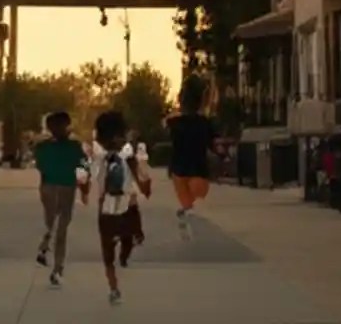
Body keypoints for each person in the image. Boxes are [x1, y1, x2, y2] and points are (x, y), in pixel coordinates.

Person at [84, 110, 151, 305]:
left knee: (116, 248)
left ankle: (117, 275)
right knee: (113, 249)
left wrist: (143, 186)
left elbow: (138, 175)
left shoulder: (116, 156)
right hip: (114, 209)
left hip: (117, 208)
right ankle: (114, 285)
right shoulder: (106, 156)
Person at [32, 111, 88, 287]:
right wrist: (84, 189)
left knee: (53, 223)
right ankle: (57, 267)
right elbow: (82, 167)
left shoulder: (42, 147)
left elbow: (41, 167)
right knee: (61, 227)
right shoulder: (74, 146)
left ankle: (46, 247)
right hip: (65, 187)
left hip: (48, 187)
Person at [166, 76, 217, 240]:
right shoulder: (205, 123)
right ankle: (187, 215)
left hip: (179, 169)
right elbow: (212, 144)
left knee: (188, 202)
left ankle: (186, 213)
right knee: (197, 200)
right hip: (198, 169)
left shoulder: (173, 123)